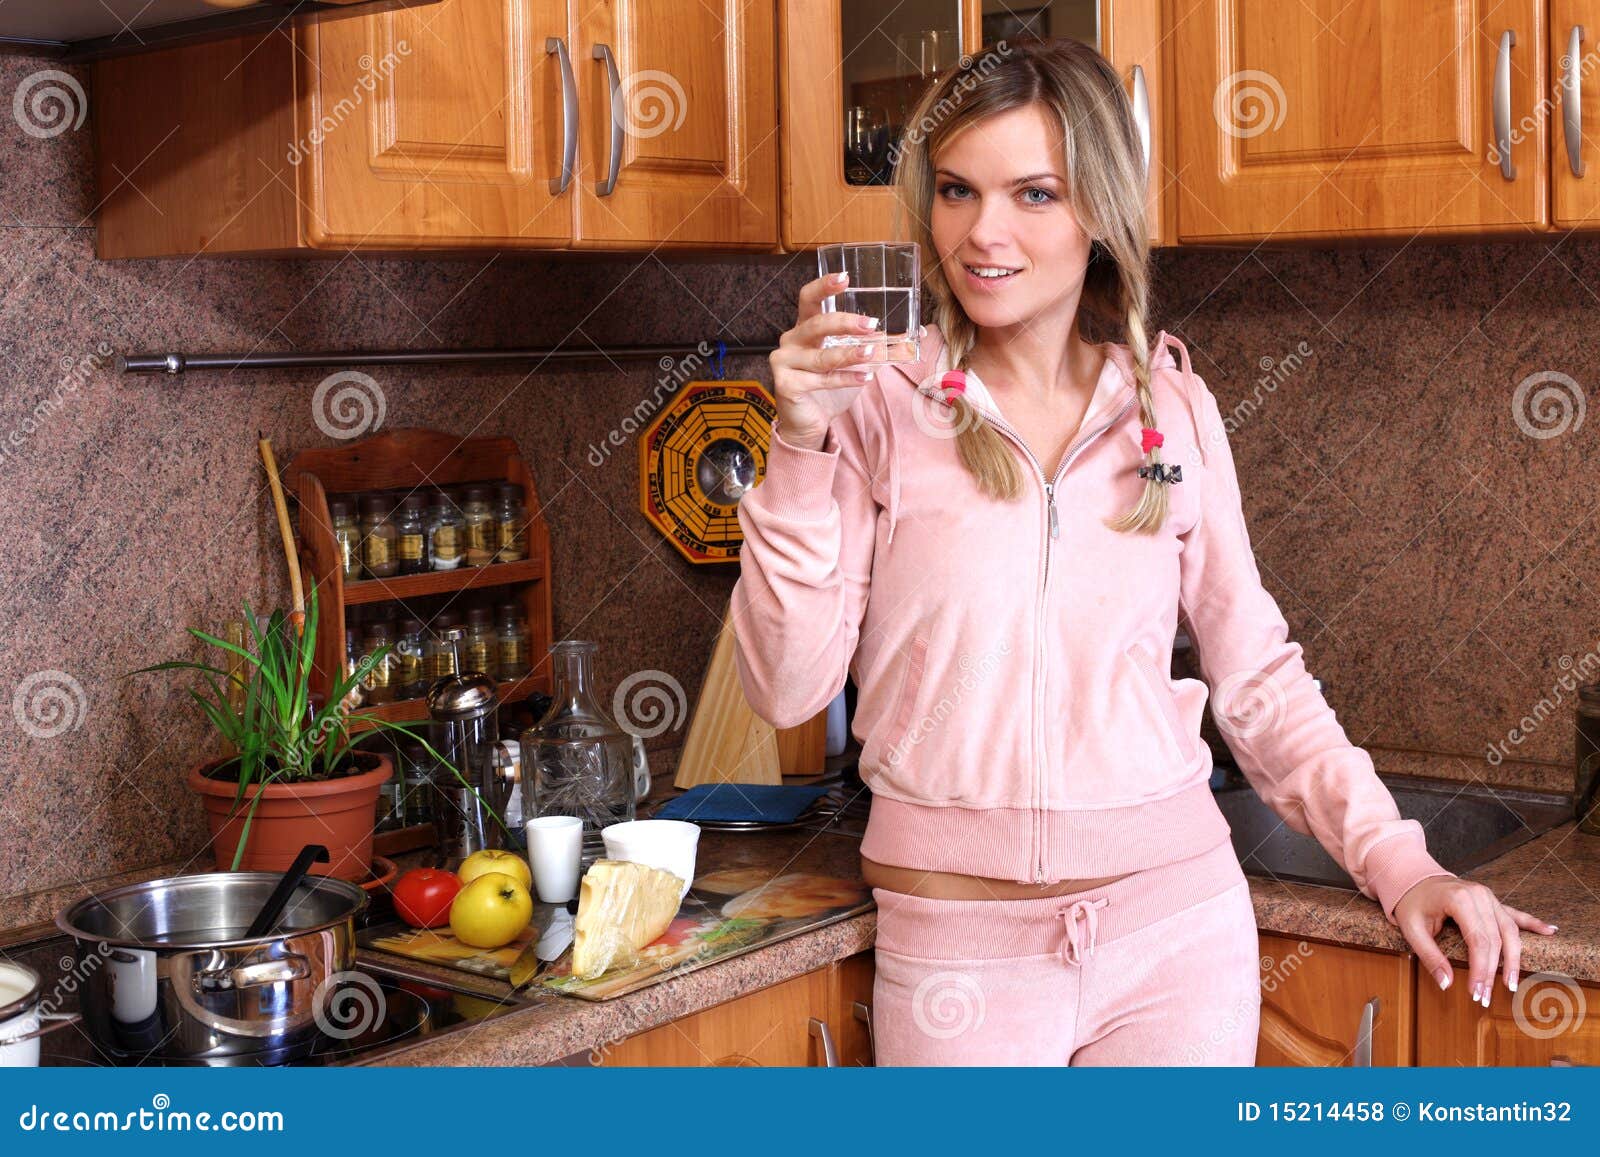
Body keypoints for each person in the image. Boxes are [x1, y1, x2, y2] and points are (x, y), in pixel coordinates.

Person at [730, 37, 1556, 1066]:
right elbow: (785, 685)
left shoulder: (1172, 411)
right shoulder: (874, 409)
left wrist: (1400, 861)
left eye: (1034, 193)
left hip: (1177, 937)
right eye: (955, 190)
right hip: (958, 957)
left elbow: (1255, 675)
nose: (982, 233)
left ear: (1099, 213)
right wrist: (800, 441)